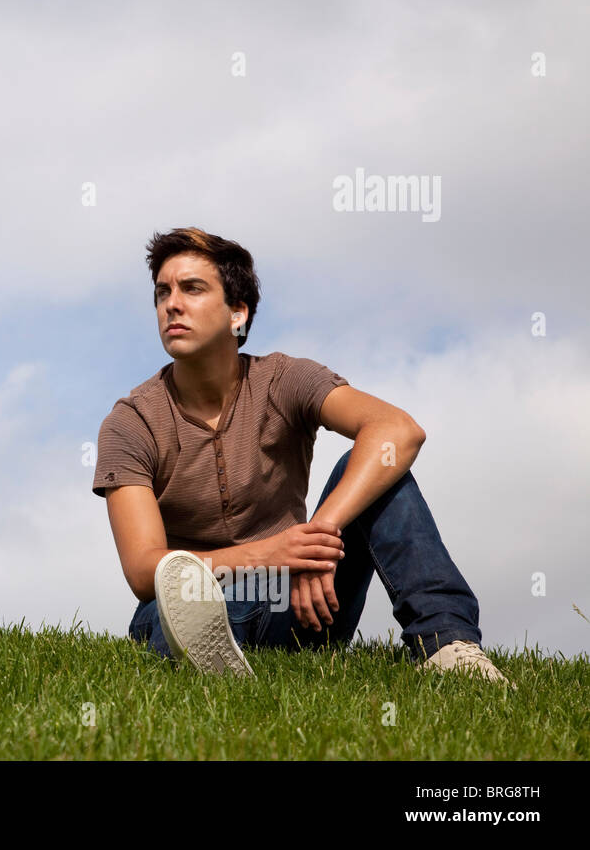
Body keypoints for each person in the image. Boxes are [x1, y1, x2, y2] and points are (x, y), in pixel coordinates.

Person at [91, 227, 512, 686]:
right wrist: (271, 554)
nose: (171, 303)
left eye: (192, 288)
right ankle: (212, 657)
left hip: (302, 602)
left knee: (376, 470)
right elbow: (143, 568)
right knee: (181, 605)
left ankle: (448, 646)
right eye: (162, 292)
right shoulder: (130, 423)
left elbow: (399, 431)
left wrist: (316, 540)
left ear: (238, 314)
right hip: (196, 596)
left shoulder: (285, 379)